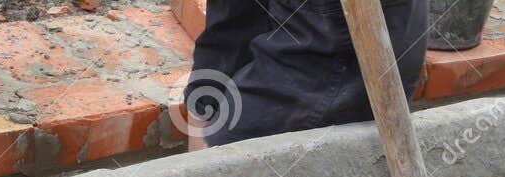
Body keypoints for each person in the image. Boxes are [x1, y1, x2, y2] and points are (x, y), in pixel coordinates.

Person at [183, 0, 429, 149]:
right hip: (316, 27)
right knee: (213, 131)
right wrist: (205, 98)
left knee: (231, 153)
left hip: (349, 34)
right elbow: (233, 23)